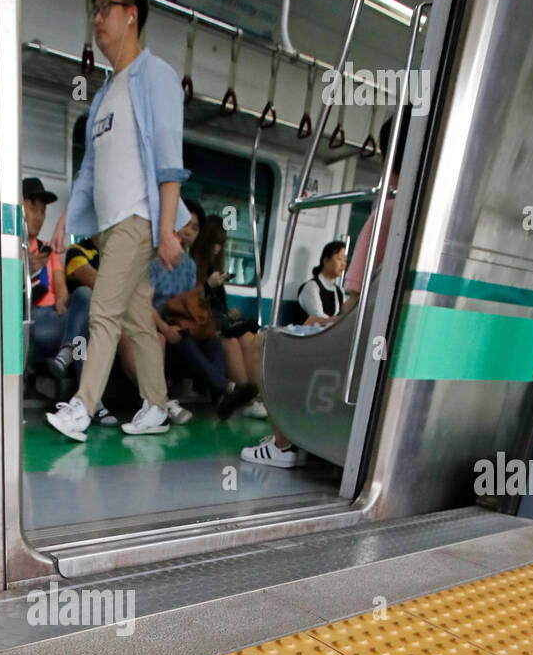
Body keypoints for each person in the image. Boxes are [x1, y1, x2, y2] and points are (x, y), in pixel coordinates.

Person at [45, 0, 190, 442]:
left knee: (102, 310)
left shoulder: (156, 78)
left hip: (137, 219)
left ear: (132, 15)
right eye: (95, 8)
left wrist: (166, 229)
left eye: (107, 6)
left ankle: (82, 409)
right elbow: (90, 169)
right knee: (135, 318)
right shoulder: (105, 95)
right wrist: (68, 216)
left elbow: (170, 161)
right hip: (110, 227)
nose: (98, 17)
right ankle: (156, 404)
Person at [241, 107, 414, 469]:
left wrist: (322, 325)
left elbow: (351, 311)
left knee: (261, 341)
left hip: (358, 349)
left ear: (387, 157)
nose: (342, 262)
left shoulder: (387, 213)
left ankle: (283, 443)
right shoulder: (427, 217)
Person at [152, 202, 250, 420]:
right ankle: (224, 386)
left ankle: (223, 394)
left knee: (212, 340)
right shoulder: (154, 258)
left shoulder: (188, 265)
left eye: (195, 228)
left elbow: (191, 303)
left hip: (182, 320)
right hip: (157, 321)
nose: (188, 231)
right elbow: (144, 302)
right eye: (184, 224)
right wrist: (165, 326)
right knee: (184, 339)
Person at [22, 176, 92, 397]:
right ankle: (89, 400)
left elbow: (61, 289)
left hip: (57, 318)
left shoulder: (46, 250)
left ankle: (66, 354)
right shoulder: (9, 247)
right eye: (33, 208)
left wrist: (64, 305)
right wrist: (26, 270)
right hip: (34, 322)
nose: (39, 217)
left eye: (43, 211)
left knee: (83, 294)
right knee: (85, 332)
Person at [297, 240, 347, 322]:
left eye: (345, 260)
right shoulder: (311, 287)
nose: (343, 264)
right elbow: (319, 318)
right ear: (326, 260)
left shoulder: (340, 291)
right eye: (339, 259)